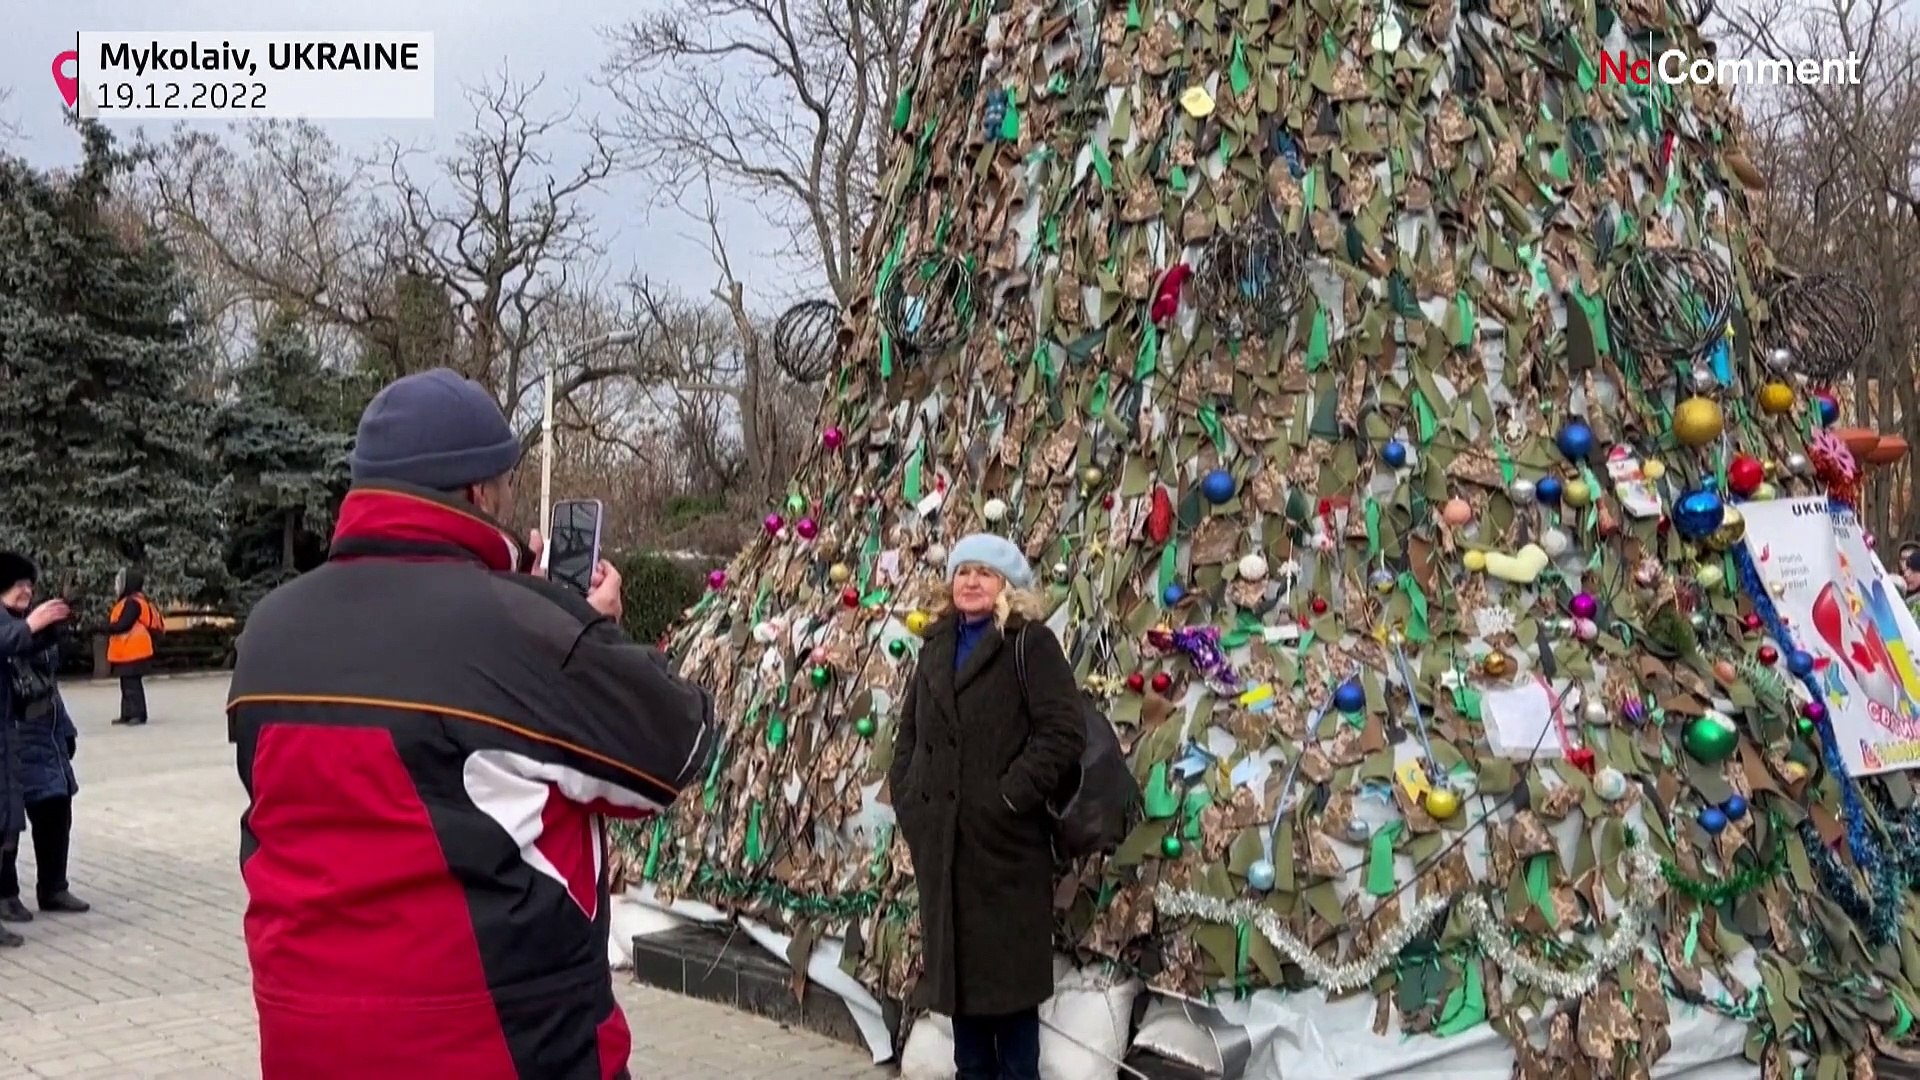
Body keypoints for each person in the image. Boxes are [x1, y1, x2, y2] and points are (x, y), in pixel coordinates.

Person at [227, 367, 716, 1080]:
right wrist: (582, 624)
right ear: (479, 492)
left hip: (307, 1042)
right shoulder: (523, 629)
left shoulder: (268, 631)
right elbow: (679, 745)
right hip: (501, 1044)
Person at [887, 533, 1086, 1080]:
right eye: (962, 571)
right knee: (967, 1027)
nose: (970, 582)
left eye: (984, 572)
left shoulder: (1029, 642)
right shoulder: (935, 646)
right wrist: (910, 801)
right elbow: (910, 735)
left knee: (1012, 1021)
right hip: (944, 853)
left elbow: (1062, 733)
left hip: (1003, 855)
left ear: (1007, 585)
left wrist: (1006, 798)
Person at [0, 554, 87, 923]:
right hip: (13, 735)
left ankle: (53, 886)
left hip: (46, 732)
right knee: (8, 821)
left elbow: (50, 676)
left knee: (55, 808)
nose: (26, 589)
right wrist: (32, 626)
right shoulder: (10, 626)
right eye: (17, 583)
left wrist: (63, 616)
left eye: (29, 584)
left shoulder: (28, 621)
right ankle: (6, 895)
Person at [103, 569, 162, 726]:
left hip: (135, 650)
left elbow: (123, 625)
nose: (117, 586)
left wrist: (103, 628)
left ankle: (138, 714)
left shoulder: (132, 603)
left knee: (132, 685)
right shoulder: (131, 600)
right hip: (128, 650)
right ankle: (127, 714)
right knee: (126, 683)